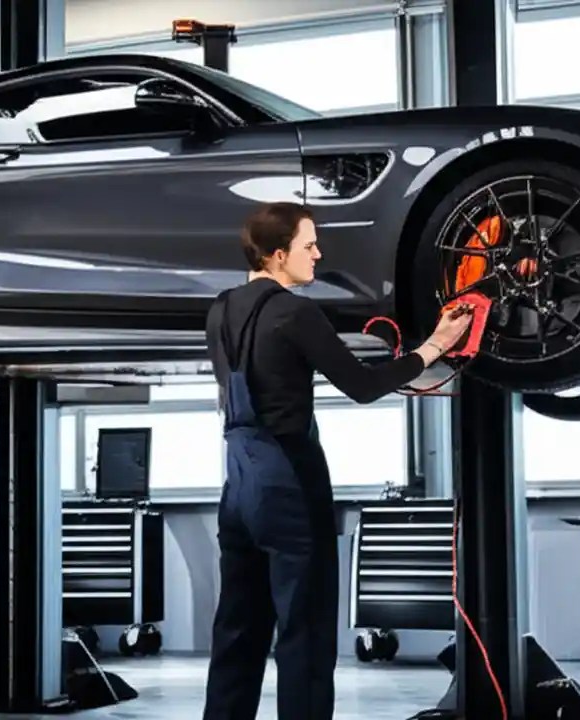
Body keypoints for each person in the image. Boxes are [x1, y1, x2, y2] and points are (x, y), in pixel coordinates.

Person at [201, 202, 476, 720]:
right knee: (304, 636)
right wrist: (436, 345)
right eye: (309, 245)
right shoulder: (295, 312)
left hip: (236, 484)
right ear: (279, 255)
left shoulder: (220, 310)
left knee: (237, 630)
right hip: (289, 486)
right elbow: (363, 386)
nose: (318, 254)